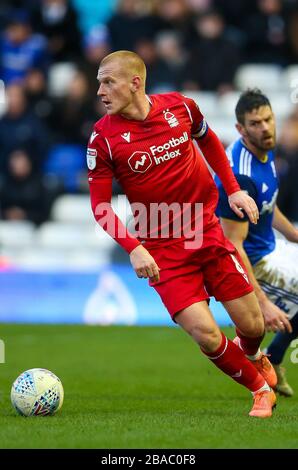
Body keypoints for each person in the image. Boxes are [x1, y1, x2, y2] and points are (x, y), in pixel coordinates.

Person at [87, 51, 278, 417]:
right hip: (161, 251)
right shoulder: (102, 139)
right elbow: (100, 207)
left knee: (252, 326)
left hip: (205, 230)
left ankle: (252, 353)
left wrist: (234, 187)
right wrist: (134, 248)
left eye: (108, 81)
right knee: (205, 333)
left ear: (135, 83)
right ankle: (259, 389)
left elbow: (208, 141)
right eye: (99, 82)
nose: (100, 91)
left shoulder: (182, 108)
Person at [216, 89, 298, 397]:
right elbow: (233, 244)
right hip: (250, 260)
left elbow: (269, 205)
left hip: (271, 247)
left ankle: (274, 357)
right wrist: (262, 304)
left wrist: (294, 236)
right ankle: (271, 358)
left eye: (268, 119)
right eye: (255, 123)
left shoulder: (266, 150)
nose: (265, 127)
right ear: (241, 129)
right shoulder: (241, 175)